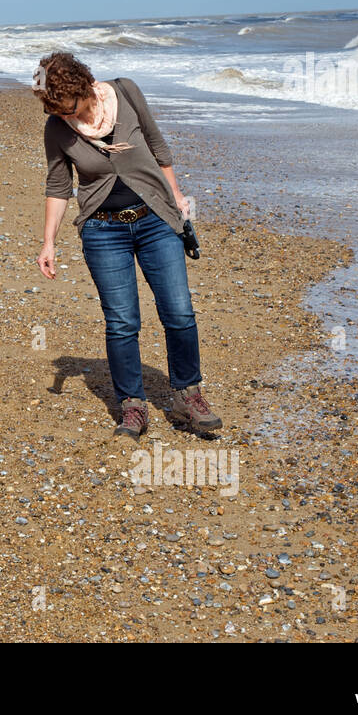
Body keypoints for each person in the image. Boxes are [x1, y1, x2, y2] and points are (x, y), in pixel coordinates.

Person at [35, 52, 220, 438]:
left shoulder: (126, 93)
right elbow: (58, 187)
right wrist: (48, 242)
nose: (66, 116)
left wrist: (178, 199)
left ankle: (189, 395)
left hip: (154, 221)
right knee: (121, 322)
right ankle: (132, 406)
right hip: (104, 232)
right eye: (57, 110)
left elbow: (157, 146)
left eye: (68, 107)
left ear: (84, 89)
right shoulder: (58, 128)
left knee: (180, 311)